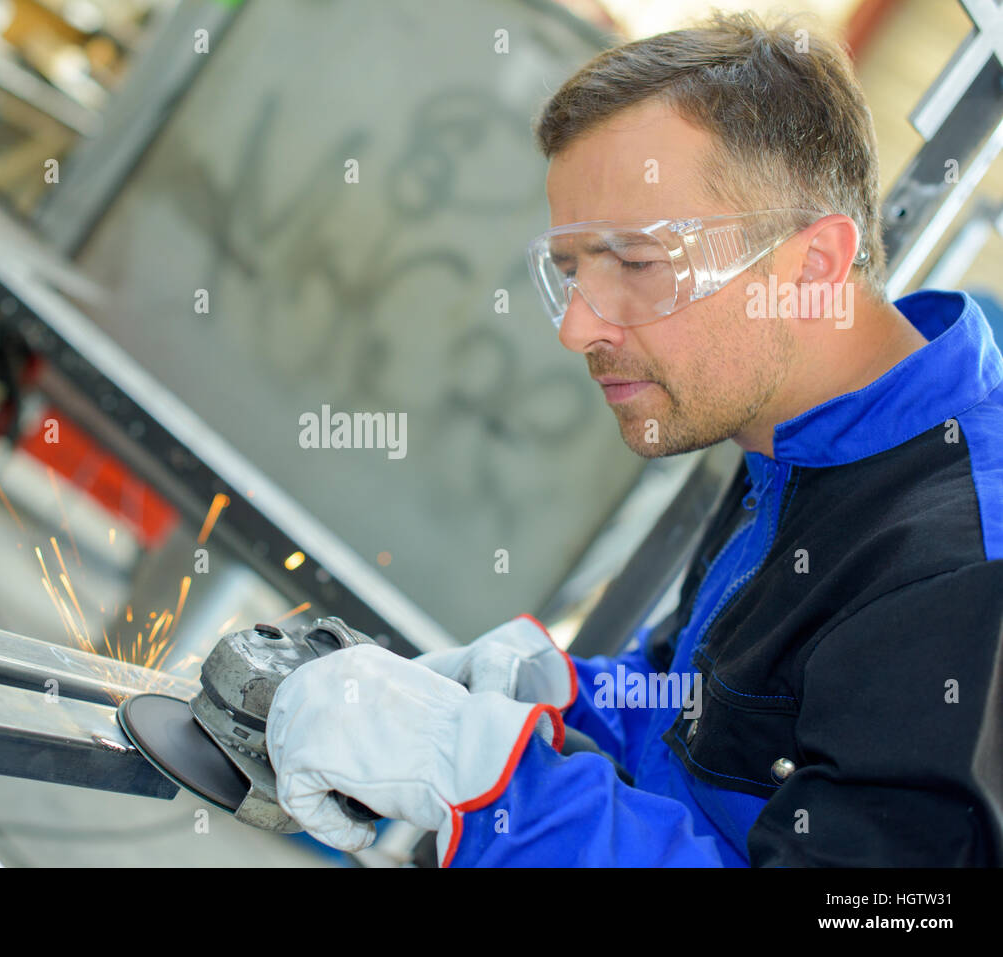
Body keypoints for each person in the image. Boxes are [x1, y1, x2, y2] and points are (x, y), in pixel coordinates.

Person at [265, 11, 1003, 866]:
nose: (578, 327)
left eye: (639, 264)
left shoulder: (965, 563)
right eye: (573, 270)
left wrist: (500, 795)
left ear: (811, 266)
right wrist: (570, 697)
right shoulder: (799, 431)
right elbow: (717, 727)